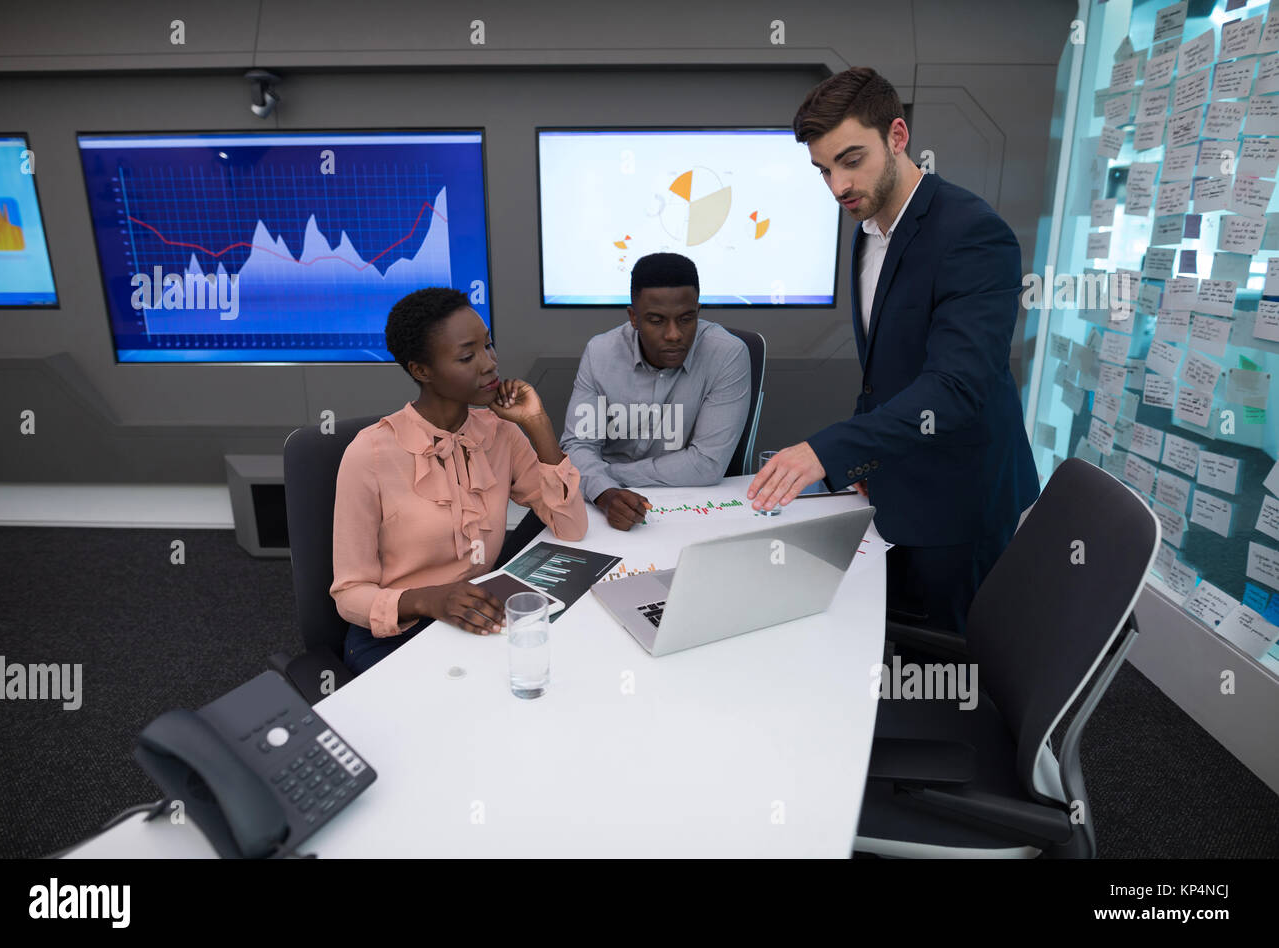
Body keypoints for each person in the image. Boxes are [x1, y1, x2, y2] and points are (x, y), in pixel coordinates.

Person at [748, 68, 1039, 636]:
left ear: (898, 136)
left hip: (961, 505)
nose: (837, 186)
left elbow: (955, 388)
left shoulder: (974, 233)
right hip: (895, 489)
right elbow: (887, 378)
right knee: (884, 648)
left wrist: (827, 452)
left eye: (851, 160)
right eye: (823, 170)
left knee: (955, 678)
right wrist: (864, 462)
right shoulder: (866, 230)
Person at [331, 287, 588, 673]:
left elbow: (572, 528)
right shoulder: (369, 454)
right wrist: (428, 599)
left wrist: (538, 426)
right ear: (421, 370)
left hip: (478, 615)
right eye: (468, 356)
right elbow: (349, 596)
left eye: (489, 346)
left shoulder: (500, 431)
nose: (489, 364)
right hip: (402, 632)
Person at [560, 252, 751, 531]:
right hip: (605, 505)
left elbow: (706, 464)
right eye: (657, 320)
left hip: (689, 502)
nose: (674, 334)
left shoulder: (727, 354)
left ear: (698, 312)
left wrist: (606, 477)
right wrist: (605, 494)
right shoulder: (600, 352)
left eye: (686, 319)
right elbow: (579, 445)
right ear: (633, 318)